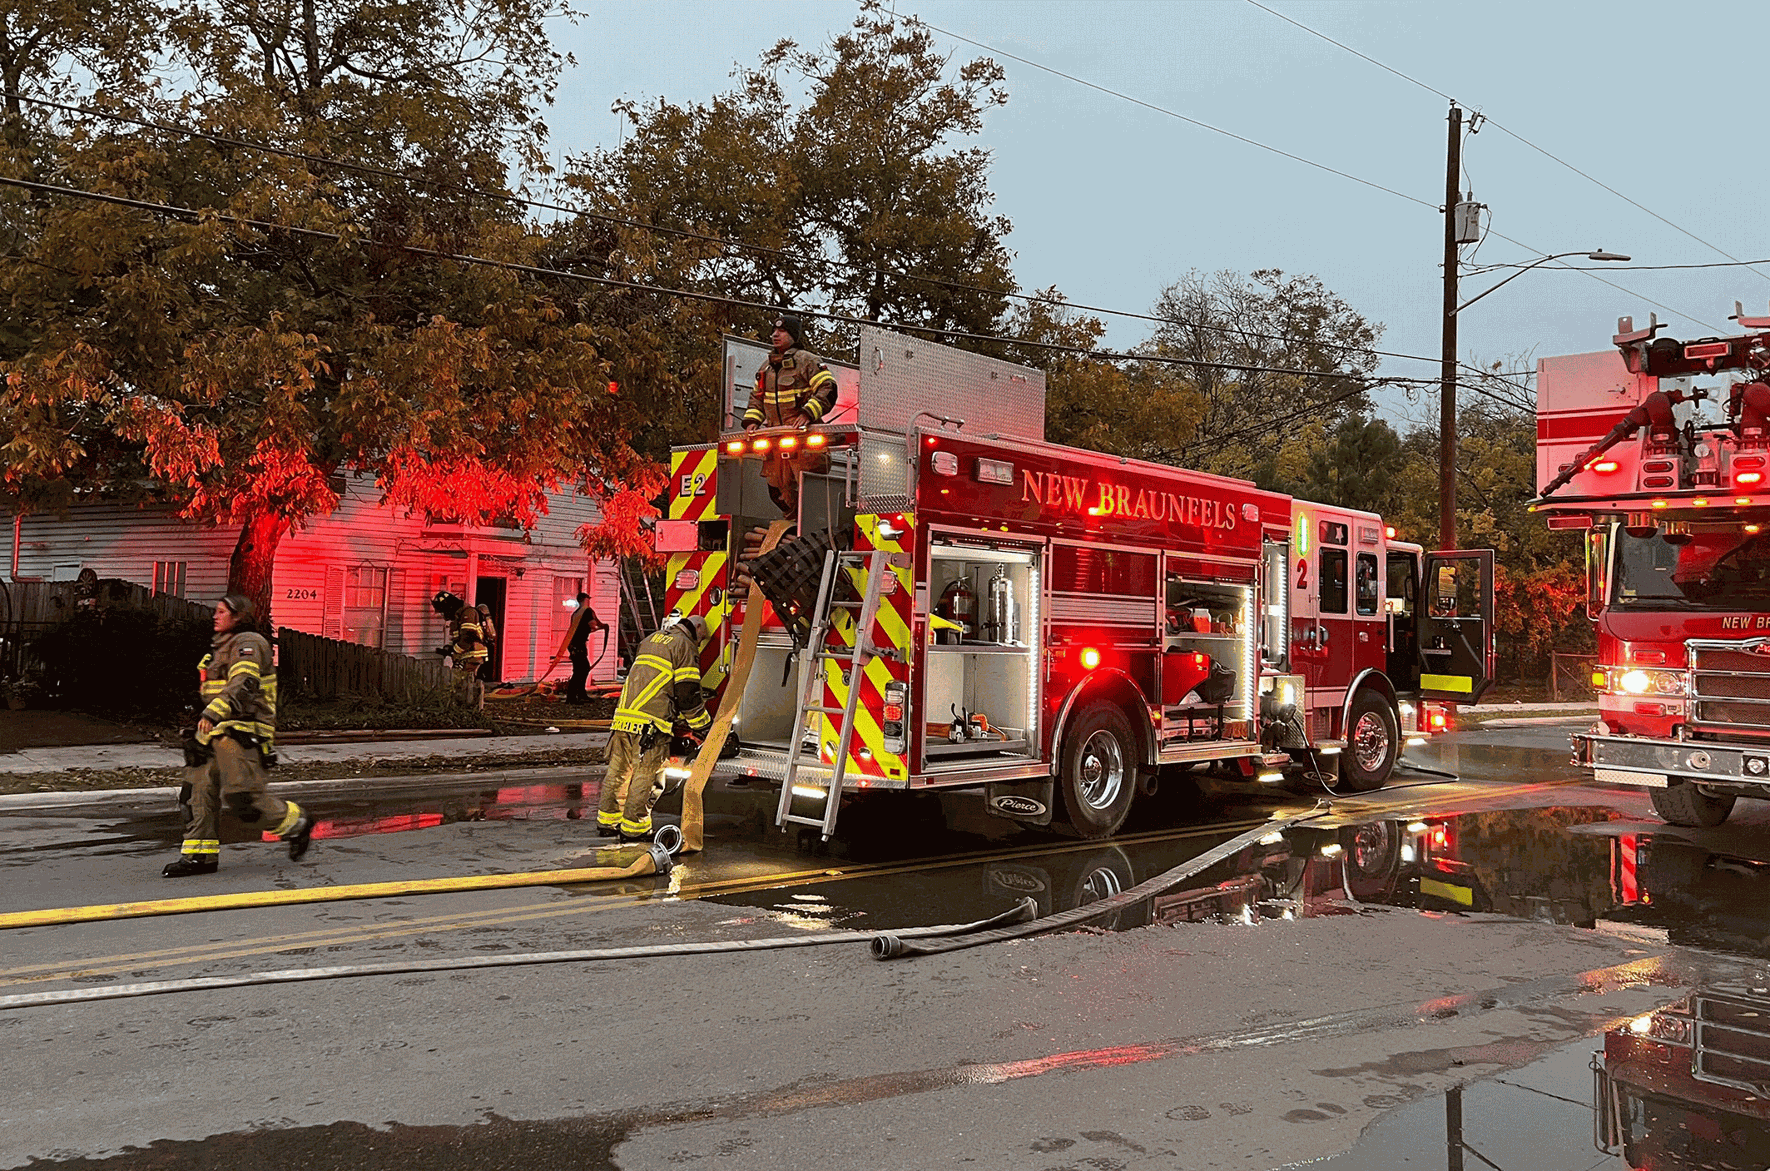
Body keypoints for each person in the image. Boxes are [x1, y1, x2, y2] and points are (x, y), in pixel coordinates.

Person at [163, 594, 312, 877]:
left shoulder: (249, 644)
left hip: (241, 733)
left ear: (238, 617)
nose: (215, 616)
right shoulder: (218, 649)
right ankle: (199, 857)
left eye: (221, 612)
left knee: (243, 798)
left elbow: (244, 684)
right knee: (196, 794)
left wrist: (212, 714)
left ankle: (298, 824)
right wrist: (196, 727)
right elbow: (208, 694)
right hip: (211, 735)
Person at [598, 614, 712, 842]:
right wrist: (704, 725)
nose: (700, 643)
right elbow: (687, 693)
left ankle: (608, 822)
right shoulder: (685, 646)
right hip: (652, 723)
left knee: (618, 771)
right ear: (697, 627)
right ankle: (635, 828)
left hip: (623, 717)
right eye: (701, 638)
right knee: (647, 775)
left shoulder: (651, 639)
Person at [742, 314, 838, 514]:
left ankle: (805, 529)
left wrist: (807, 413)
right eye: (774, 330)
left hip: (804, 441)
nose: (775, 335)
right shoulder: (766, 367)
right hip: (776, 442)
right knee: (778, 493)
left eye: (782, 331)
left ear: (794, 335)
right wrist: (752, 421)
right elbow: (757, 398)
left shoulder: (808, 361)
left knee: (807, 495)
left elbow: (828, 388)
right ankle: (792, 527)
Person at [548, 593, 608, 704]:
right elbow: (592, 625)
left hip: (573, 645)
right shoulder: (588, 611)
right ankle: (573, 697)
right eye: (587, 599)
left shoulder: (576, 614)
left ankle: (580, 694)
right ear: (585, 599)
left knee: (581, 669)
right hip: (579, 645)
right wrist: (602, 627)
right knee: (582, 670)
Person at [431, 590, 487, 708]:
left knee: (464, 683)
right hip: (466, 655)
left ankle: (469, 709)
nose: (444, 615)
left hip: (473, 655)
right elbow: (462, 639)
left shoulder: (468, 614)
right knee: (461, 683)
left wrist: (454, 650)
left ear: (449, 606)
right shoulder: (460, 615)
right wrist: (450, 649)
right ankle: (463, 707)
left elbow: (468, 637)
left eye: (444, 611)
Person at [475, 602, 499, 685]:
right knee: (485, 664)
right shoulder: (488, 619)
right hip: (487, 645)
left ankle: (480, 681)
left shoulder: (480, 620)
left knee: (479, 667)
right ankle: (485, 679)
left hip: (481, 646)